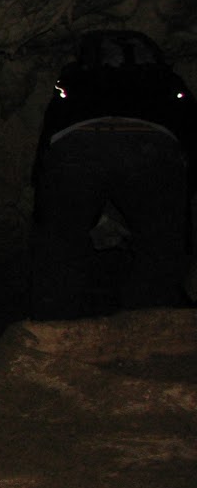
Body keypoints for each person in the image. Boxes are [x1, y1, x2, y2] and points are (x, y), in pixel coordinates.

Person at [30, 30, 197, 319]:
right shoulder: (164, 79)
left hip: (76, 143)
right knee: (159, 243)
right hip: (151, 144)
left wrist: (43, 187)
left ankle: (54, 322)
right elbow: (191, 130)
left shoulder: (76, 78)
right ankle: (152, 320)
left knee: (62, 240)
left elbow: (52, 128)